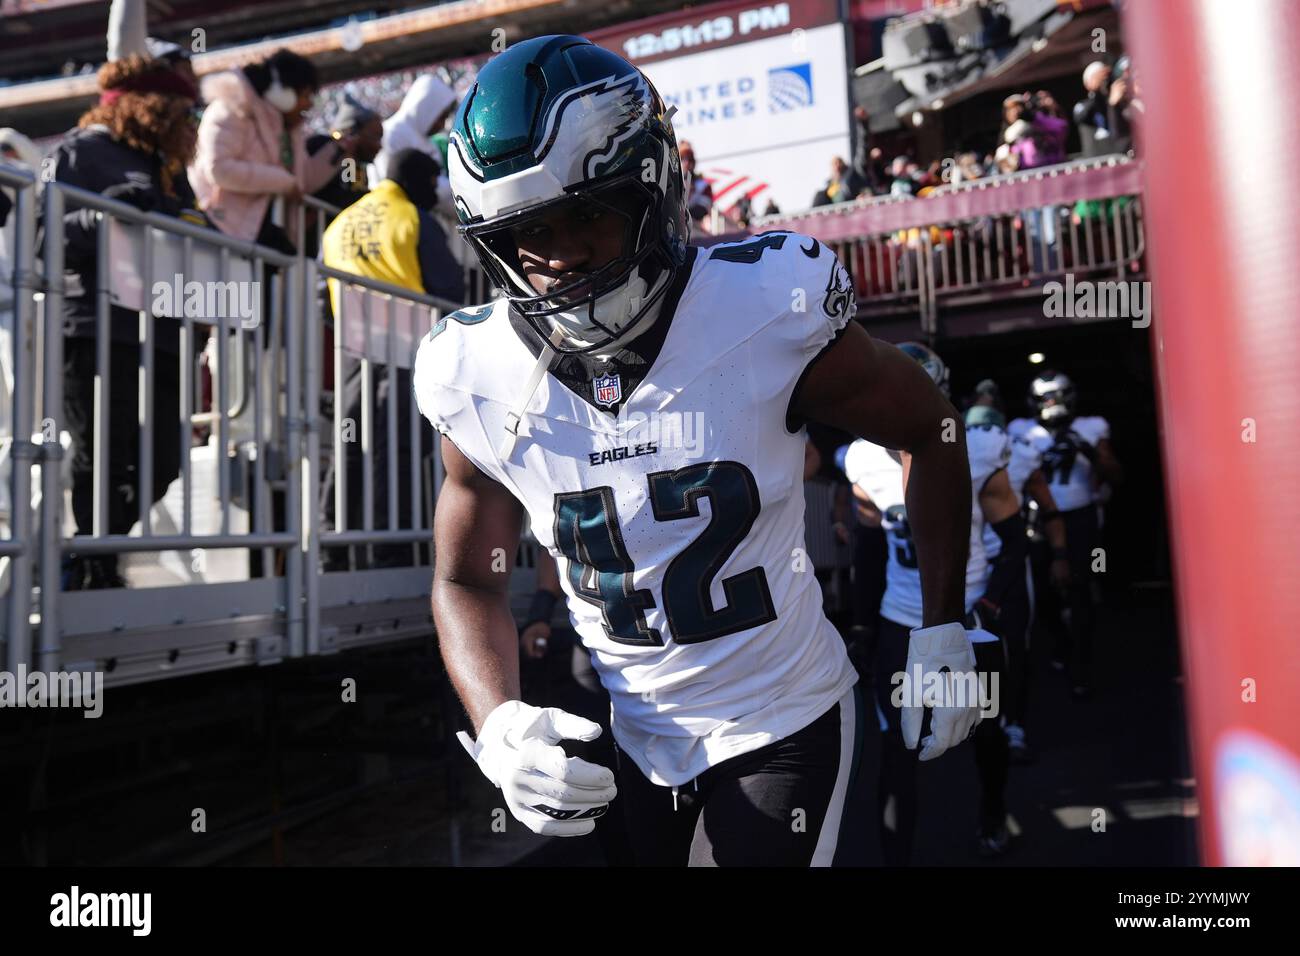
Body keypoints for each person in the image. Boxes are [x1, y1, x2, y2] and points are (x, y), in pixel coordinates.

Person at [415, 35, 982, 867]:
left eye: (585, 214)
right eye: (525, 231)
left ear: (651, 187)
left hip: (782, 717)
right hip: (632, 734)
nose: (558, 256)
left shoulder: (761, 306)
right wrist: (497, 719)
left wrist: (944, 626)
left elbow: (931, 432)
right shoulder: (474, 372)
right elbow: (466, 578)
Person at [843, 344, 1024, 862]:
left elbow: (1015, 541)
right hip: (902, 620)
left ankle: (993, 812)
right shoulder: (862, 458)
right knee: (898, 751)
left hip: (966, 615)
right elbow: (869, 551)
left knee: (985, 734)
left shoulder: (979, 449)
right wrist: (862, 627)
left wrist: (989, 603)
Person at [43, 54, 207, 589]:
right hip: (94, 328)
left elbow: (192, 230)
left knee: (164, 460)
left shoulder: (168, 168)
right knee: (101, 454)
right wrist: (102, 214)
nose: (192, 124)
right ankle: (92, 564)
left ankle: (89, 554)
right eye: (185, 112)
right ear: (151, 106)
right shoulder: (79, 152)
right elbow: (42, 238)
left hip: (159, 332)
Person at [321, 148, 464, 570]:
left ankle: (333, 543)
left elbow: (320, 297)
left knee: (349, 442)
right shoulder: (412, 218)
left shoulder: (339, 221)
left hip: (352, 350)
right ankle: (393, 550)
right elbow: (450, 287)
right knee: (398, 449)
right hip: (406, 353)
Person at [1009, 371, 1123, 698]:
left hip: (1080, 516)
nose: (1052, 404)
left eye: (1057, 396)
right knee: (1041, 591)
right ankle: (1061, 643)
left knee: (1080, 587)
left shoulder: (1090, 428)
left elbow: (1116, 474)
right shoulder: (1022, 431)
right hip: (1038, 517)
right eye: (1045, 397)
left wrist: (1085, 450)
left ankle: (1081, 662)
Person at [189, 48, 338, 250]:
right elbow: (219, 170)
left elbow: (302, 182)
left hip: (260, 233)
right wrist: (282, 182)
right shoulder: (230, 109)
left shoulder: (288, 129)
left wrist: (338, 151)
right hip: (223, 228)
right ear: (283, 93)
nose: (309, 104)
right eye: (306, 95)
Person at [369, 74, 458, 213]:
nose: (442, 124)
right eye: (441, 117)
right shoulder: (393, 133)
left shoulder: (427, 141)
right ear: (426, 108)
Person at [677, 140, 713, 226]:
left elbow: (702, 210)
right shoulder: (670, 184)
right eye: (682, 159)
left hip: (695, 230)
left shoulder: (703, 186)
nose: (686, 163)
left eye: (689, 159)